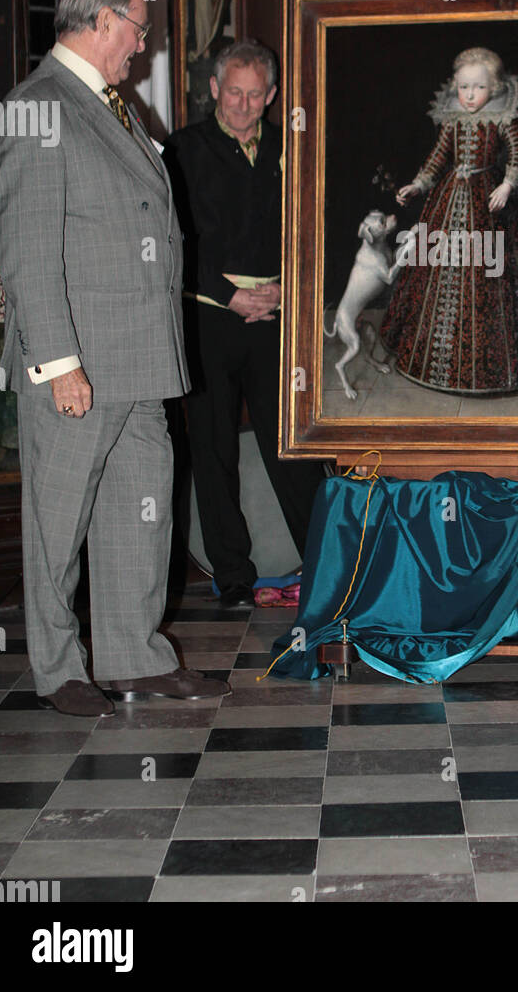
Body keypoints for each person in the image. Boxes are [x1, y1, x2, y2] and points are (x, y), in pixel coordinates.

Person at [0, 0, 230, 716]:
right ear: (100, 21)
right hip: (79, 363)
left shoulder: (114, 107)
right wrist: (59, 364)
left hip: (140, 360)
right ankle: (59, 669)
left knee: (139, 511)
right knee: (57, 521)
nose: (143, 45)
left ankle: (133, 656)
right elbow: (28, 251)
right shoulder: (37, 109)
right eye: (138, 28)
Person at [164, 40, 324, 609]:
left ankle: (324, 562)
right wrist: (229, 295)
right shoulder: (182, 149)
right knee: (212, 448)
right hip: (211, 317)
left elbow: (313, 226)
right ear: (214, 89)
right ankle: (232, 573)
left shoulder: (291, 145)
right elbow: (172, 240)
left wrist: (287, 286)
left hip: (278, 313)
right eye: (234, 92)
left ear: (272, 96)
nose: (243, 104)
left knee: (294, 442)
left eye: (255, 95)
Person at [379, 46, 518, 394]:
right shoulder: (452, 120)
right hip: (448, 200)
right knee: (436, 268)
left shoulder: (504, 117)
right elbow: (437, 159)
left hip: (489, 202)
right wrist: (417, 185)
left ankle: (491, 369)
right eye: (464, 87)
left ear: (492, 88)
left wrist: (508, 185)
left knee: (490, 274)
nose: (469, 95)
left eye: (477, 87)